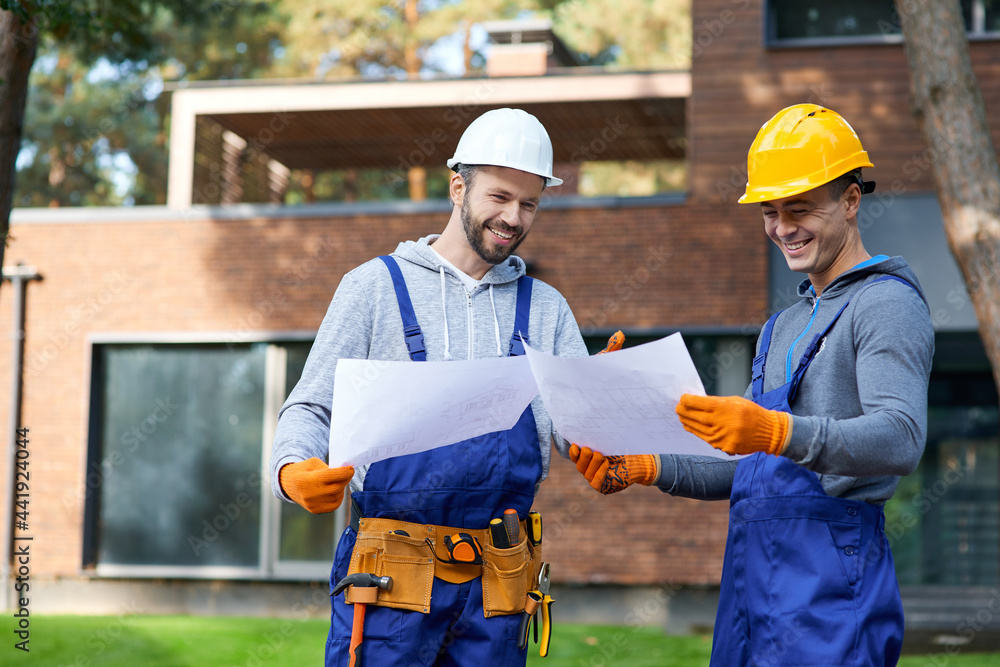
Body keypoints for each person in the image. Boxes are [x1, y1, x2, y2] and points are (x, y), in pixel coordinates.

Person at [566, 103, 934, 666]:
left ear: (852, 200)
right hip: (750, 584)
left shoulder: (885, 302)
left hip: (832, 588)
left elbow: (900, 437)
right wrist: (650, 467)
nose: (783, 228)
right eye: (770, 210)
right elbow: (758, 467)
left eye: (801, 209)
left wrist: (776, 430)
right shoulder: (781, 325)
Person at [270, 107, 587, 667]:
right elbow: (312, 405)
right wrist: (293, 469)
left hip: (498, 587)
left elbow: (580, 435)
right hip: (392, 584)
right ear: (458, 186)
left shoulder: (546, 308)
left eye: (530, 203)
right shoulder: (372, 288)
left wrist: (606, 412)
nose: (514, 217)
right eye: (499, 197)